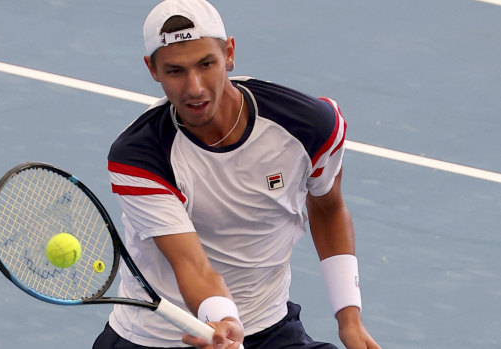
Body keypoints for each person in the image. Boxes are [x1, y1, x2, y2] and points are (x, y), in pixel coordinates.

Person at [94, 0, 381, 348]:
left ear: (229, 53)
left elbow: (328, 208)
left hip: (269, 326)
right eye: (175, 71)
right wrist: (224, 320)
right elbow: (193, 266)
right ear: (152, 69)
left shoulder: (309, 125)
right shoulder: (140, 156)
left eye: (206, 64)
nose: (195, 87)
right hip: (160, 339)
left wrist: (349, 318)